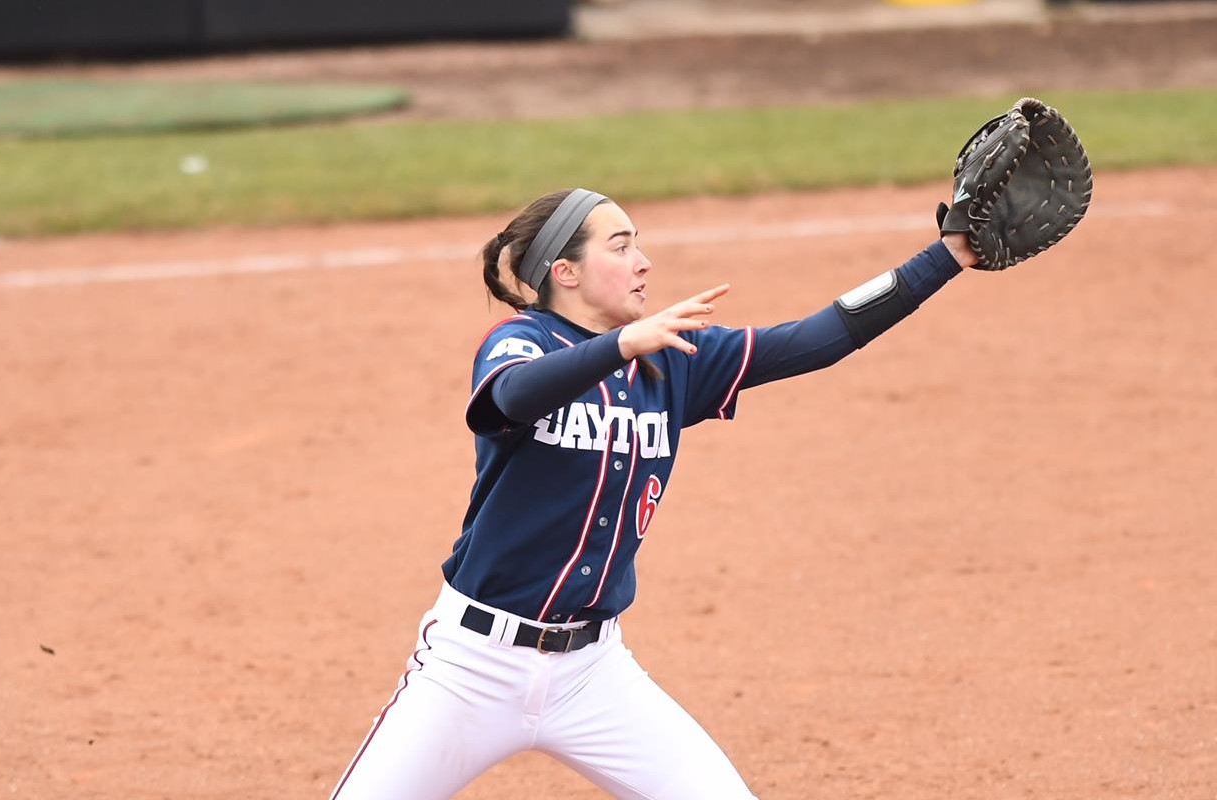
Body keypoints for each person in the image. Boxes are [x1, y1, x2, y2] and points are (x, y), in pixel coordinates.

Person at [328, 187, 988, 798]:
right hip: (471, 670)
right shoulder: (519, 342)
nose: (643, 262)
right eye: (620, 247)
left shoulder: (670, 358)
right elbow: (511, 396)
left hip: (592, 674)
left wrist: (948, 256)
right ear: (566, 272)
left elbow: (818, 338)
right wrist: (620, 345)